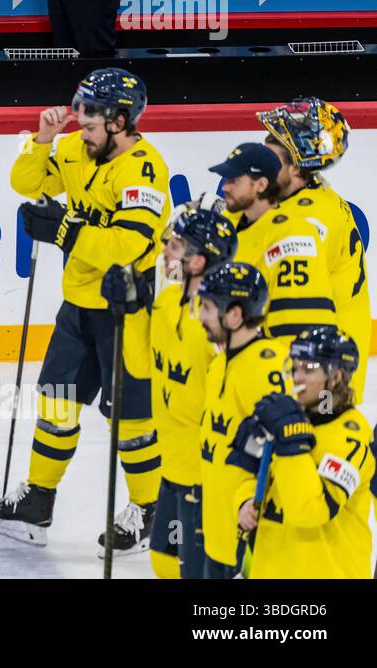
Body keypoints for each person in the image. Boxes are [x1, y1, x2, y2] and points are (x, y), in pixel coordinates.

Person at [0, 68, 169, 551]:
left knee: (131, 419)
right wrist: (41, 140)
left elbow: (127, 244)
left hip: (129, 310)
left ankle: (148, 511)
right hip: (78, 303)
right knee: (56, 404)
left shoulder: (144, 170)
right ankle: (37, 501)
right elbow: (25, 182)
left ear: (121, 121)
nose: (80, 126)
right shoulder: (76, 151)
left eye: (91, 121)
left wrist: (63, 232)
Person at [228, 326, 372, 578]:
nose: (297, 377)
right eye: (295, 367)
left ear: (336, 377)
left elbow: (310, 511)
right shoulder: (285, 417)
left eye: (309, 369)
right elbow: (246, 469)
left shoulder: (352, 437)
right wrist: (244, 501)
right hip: (272, 568)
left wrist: (291, 445)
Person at [141, 203, 238, 578]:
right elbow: (139, 367)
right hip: (173, 462)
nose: (165, 249)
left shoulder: (219, 324)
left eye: (176, 245)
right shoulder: (167, 301)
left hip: (207, 471)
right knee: (164, 560)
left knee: (202, 573)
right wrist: (131, 310)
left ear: (200, 259)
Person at [258, 98, 370, 402]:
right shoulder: (307, 197)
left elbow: (298, 311)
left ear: (295, 167)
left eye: (270, 153)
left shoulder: (311, 219)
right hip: (324, 359)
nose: (259, 161)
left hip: (325, 371)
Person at [195, 261, 291, 578]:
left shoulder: (267, 367)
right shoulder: (220, 363)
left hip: (247, 542)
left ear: (235, 315)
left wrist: (252, 502)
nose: (201, 316)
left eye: (208, 307)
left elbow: (288, 448)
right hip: (217, 535)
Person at [209, 143, 338, 340]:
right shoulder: (228, 223)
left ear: (261, 185)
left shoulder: (295, 234)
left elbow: (296, 323)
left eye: (235, 180)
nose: (225, 186)